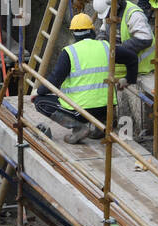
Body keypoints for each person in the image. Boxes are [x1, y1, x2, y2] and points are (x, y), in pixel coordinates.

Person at [34, 12, 137, 143]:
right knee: (99, 106)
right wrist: (129, 79)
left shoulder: (69, 52)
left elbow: (55, 79)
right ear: (92, 30)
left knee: (40, 102)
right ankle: (100, 127)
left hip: (81, 111)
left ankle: (78, 127)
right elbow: (132, 57)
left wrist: (39, 92)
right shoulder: (106, 46)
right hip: (106, 108)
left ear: (73, 33)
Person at [92, 0, 154, 75]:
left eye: (108, 13)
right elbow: (103, 31)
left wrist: (119, 50)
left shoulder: (133, 14)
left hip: (139, 66)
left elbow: (145, 39)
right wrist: (101, 46)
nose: (107, 17)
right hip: (120, 66)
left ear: (115, 5)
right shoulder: (110, 13)